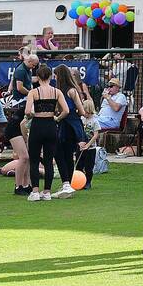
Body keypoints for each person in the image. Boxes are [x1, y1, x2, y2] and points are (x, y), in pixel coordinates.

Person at [24, 63, 68, 203]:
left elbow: (27, 111)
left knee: (35, 160)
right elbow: (66, 110)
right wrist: (57, 118)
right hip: (51, 125)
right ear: (50, 76)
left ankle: (35, 191)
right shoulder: (57, 92)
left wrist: (32, 114)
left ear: (37, 77)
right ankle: (47, 192)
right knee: (49, 161)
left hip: (37, 125)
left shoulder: (33, 92)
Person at [52, 65, 92, 199]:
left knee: (59, 154)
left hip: (64, 124)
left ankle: (66, 184)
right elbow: (81, 111)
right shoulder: (73, 90)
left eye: (56, 75)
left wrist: (57, 117)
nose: (54, 77)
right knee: (69, 155)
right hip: (74, 125)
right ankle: (68, 185)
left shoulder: (59, 91)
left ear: (60, 76)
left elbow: (64, 110)